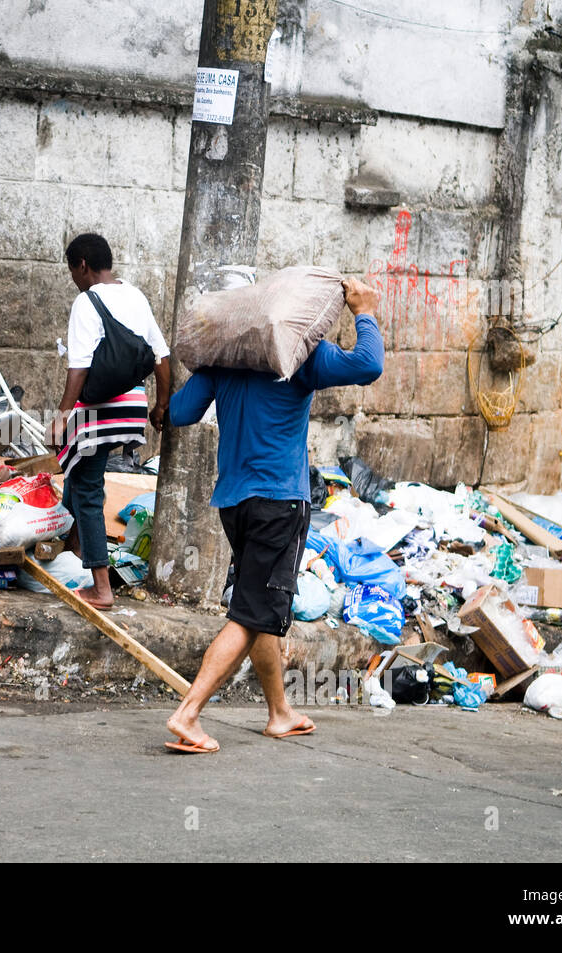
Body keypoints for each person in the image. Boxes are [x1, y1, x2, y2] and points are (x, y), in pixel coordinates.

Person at [163, 277, 385, 753]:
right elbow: (369, 365)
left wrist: (195, 371)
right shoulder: (301, 352)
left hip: (235, 505)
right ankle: (188, 712)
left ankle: (279, 712)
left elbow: (179, 413)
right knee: (249, 614)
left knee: (259, 604)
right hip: (279, 504)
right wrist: (363, 310)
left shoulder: (224, 360)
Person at [47, 233, 171, 610]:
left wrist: (61, 415)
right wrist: (160, 406)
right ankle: (70, 549)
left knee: (86, 489)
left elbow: (79, 366)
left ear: (82, 265)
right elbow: (161, 357)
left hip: (99, 410)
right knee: (80, 473)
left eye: (72, 271)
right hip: (133, 405)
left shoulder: (87, 302)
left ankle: (101, 588)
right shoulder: (135, 295)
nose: (74, 279)